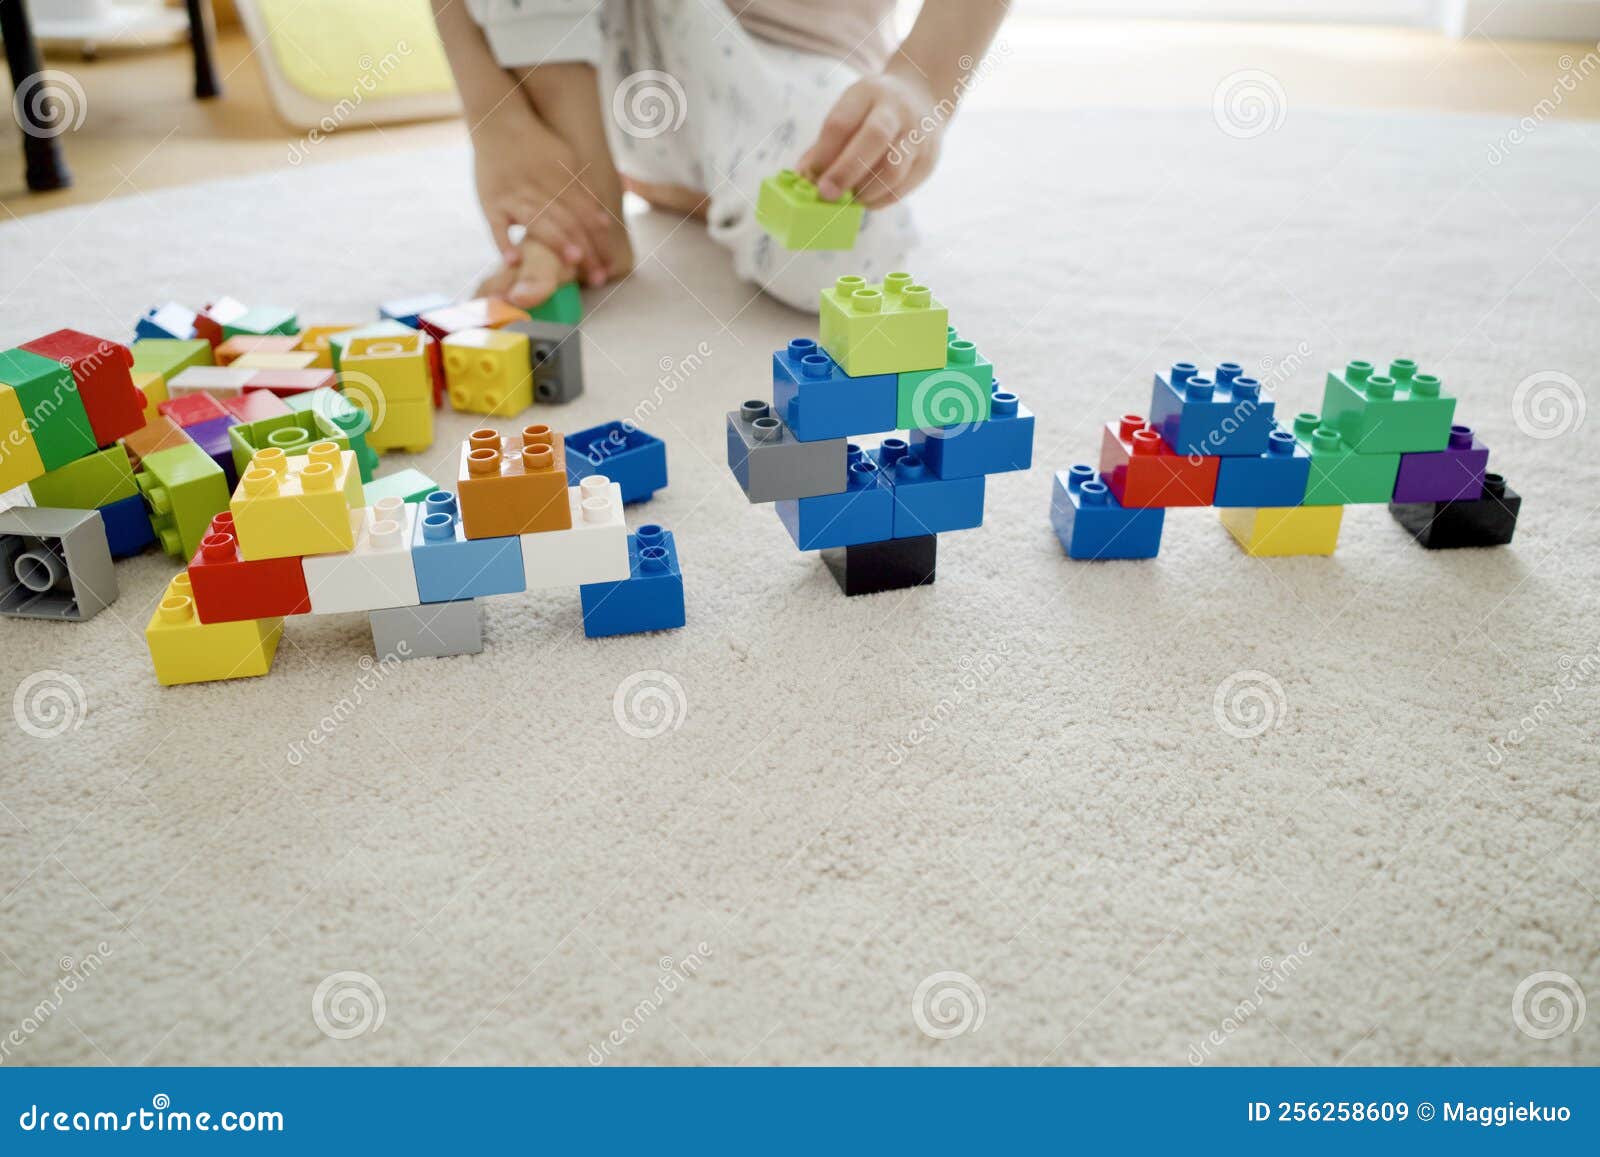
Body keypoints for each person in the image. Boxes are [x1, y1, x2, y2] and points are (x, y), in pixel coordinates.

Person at [431, 0, 1010, 312]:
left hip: (783, 56)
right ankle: (584, 193)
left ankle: (689, 181)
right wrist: (497, 117)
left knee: (843, 257)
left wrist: (921, 84)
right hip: (583, 60)